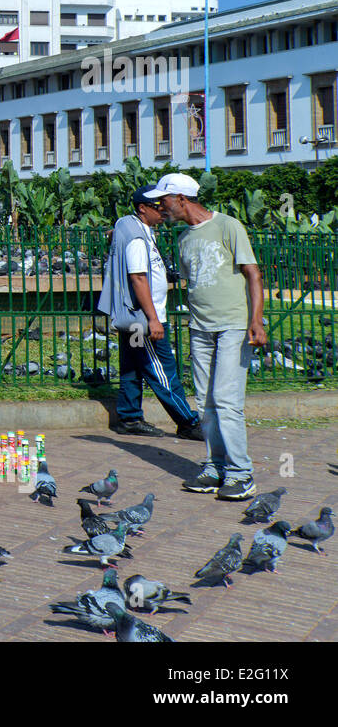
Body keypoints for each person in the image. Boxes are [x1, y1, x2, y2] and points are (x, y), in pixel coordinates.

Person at [144, 173, 266, 501]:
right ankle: (214, 467)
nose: (161, 207)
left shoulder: (228, 226)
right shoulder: (183, 239)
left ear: (182, 198)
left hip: (232, 326)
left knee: (226, 400)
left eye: (164, 200)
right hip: (200, 329)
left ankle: (241, 474)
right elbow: (195, 283)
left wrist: (256, 320)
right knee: (206, 402)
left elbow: (253, 273)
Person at [97, 185, 203, 439]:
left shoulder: (133, 227)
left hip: (134, 319)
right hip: (143, 319)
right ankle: (188, 422)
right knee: (162, 370)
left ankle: (129, 418)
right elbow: (138, 278)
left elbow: (116, 229)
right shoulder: (136, 237)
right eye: (158, 207)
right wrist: (153, 319)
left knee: (132, 367)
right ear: (142, 209)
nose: (164, 211)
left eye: (164, 205)